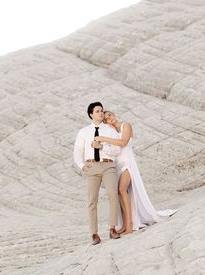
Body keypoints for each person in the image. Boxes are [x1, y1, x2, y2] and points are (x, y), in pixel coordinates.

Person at [96, 110, 177, 235]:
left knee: (122, 189)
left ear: (114, 114)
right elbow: (113, 149)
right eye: (106, 119)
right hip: (118, 164)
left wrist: (104, 138)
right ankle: (124, 224)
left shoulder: (125, 125)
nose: (109, 119)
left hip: (127, 162)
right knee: (120, 193)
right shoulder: (112, 133)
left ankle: (130, 225)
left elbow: (123, 142)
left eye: (110, 115)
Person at [73, 102, 122, 245]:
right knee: (92, 200)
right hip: (92, 168)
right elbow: (77, 152)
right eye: (97, 111)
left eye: (102, 111)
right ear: (91, 114)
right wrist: (82, 165)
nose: (101, 113)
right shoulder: (83, 132)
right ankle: (94, 234)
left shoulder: (110, 130)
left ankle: (112, 228)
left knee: (113, 195)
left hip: (108, 165)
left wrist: (102, 147)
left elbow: (117, 150)